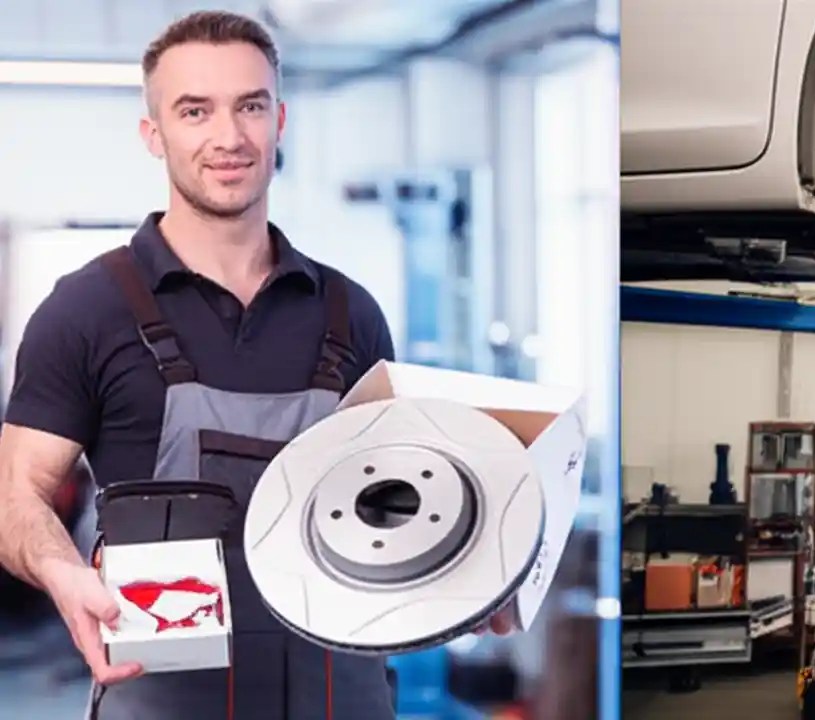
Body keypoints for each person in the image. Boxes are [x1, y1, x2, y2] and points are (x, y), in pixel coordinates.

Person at [0, 11, 509, 720]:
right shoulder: (88, 309)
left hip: (341, 695)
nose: (229, 136)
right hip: (167, 690)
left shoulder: (349, 313)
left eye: (250, 106)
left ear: (280, 120)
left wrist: (479, 566)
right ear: (155, 134)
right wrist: (60, 572)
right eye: (194, 110)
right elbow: (16, 491)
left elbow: (392, 500)